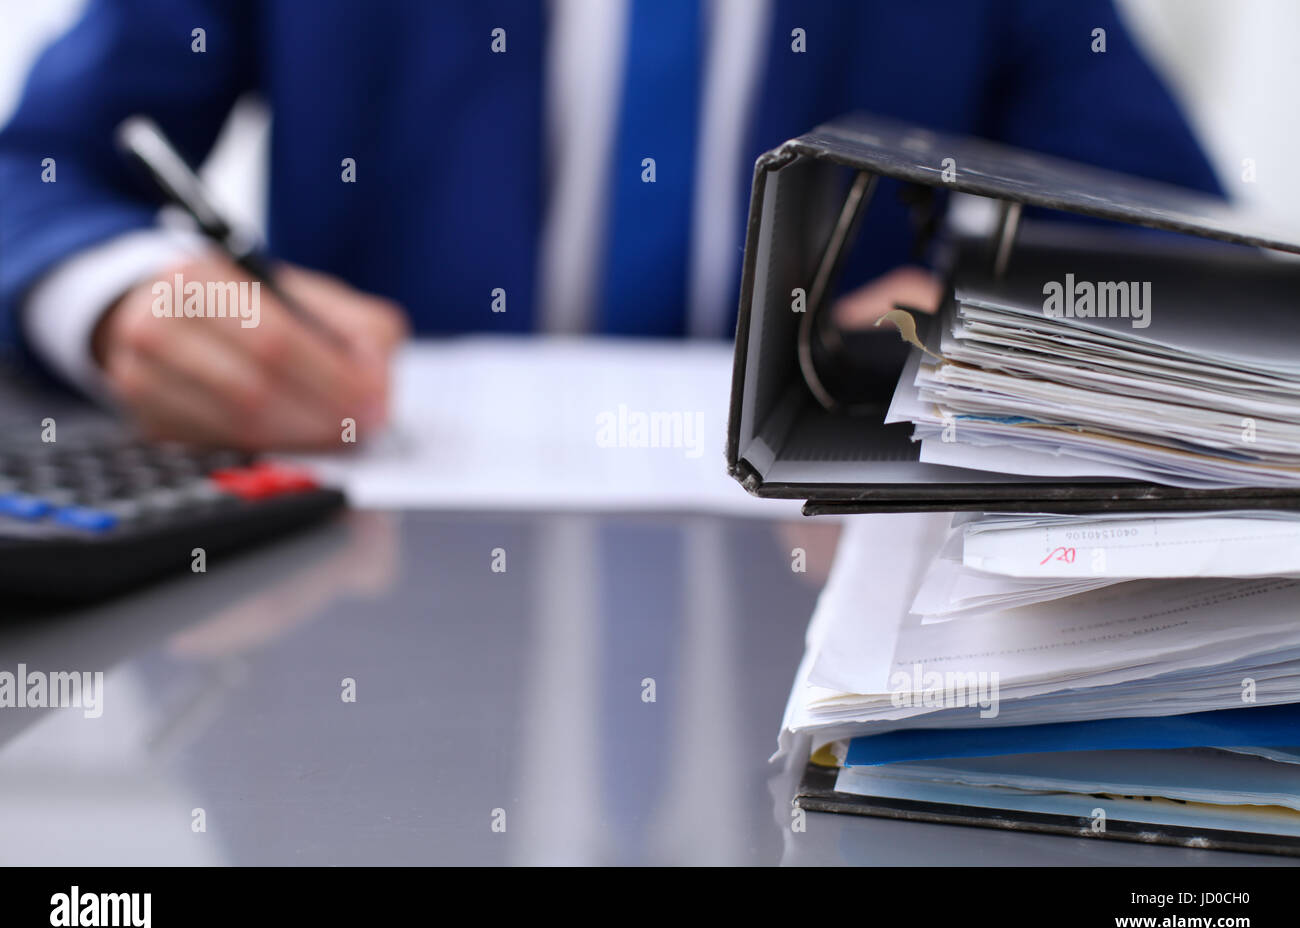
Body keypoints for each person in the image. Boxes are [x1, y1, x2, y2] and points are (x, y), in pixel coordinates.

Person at [0, 0, 1221, 449]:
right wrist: (121, 292)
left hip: (831, 587)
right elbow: (33, 169)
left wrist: (993, 320)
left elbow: (1175, 247)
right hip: (360, 580)